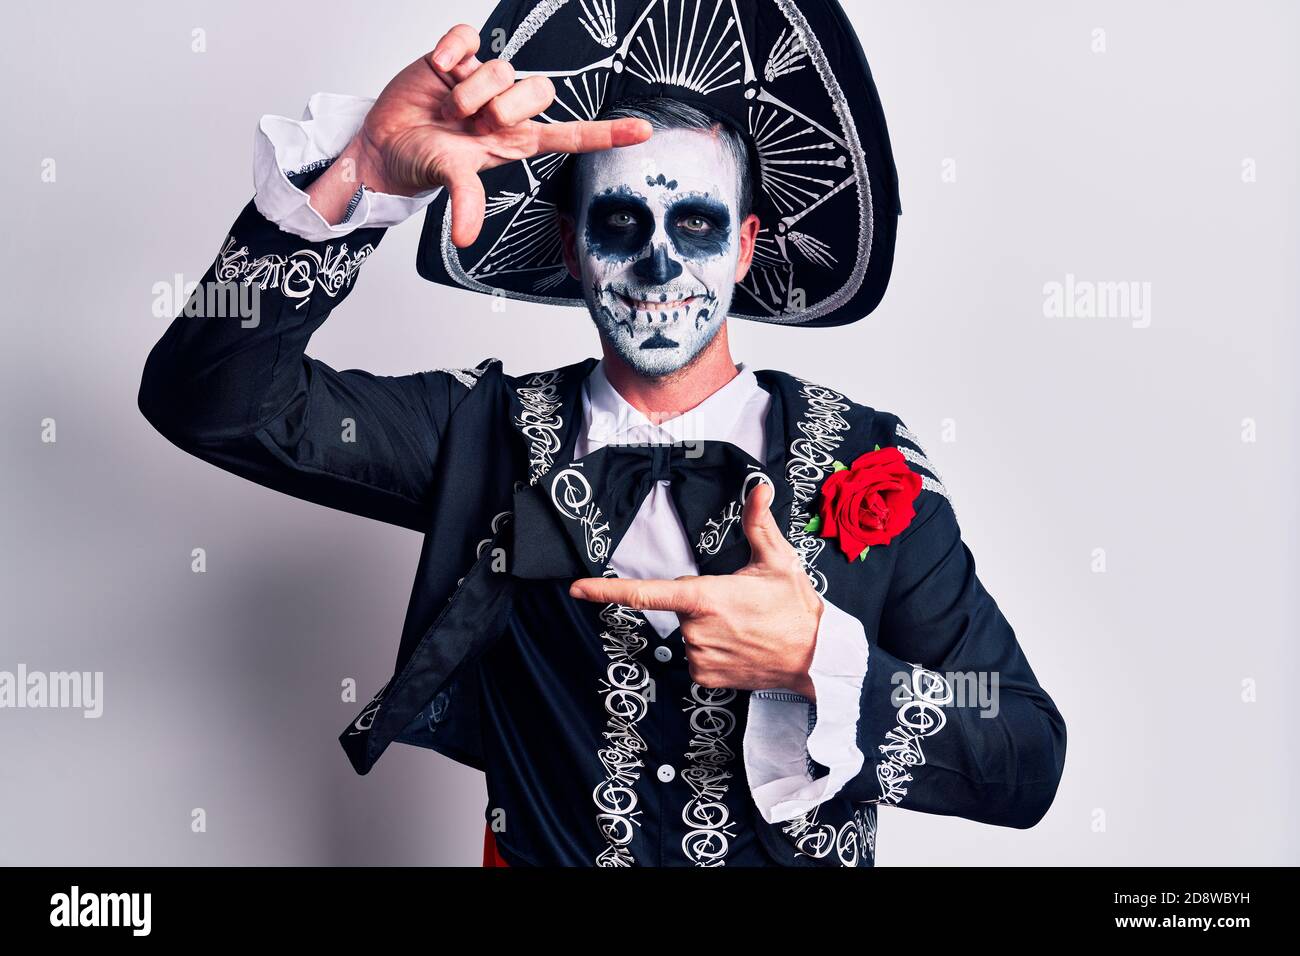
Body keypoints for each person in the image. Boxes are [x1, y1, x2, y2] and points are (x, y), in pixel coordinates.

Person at [140, 5, 1066, 868]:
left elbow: (1026, 755)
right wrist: (364, 175)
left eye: (696, 224)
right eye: (621, 222)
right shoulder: (485, 432)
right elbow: (213, 402)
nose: (659, 261)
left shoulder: (865, 459)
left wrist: (819, 658)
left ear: (744, 248)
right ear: (573, 244)